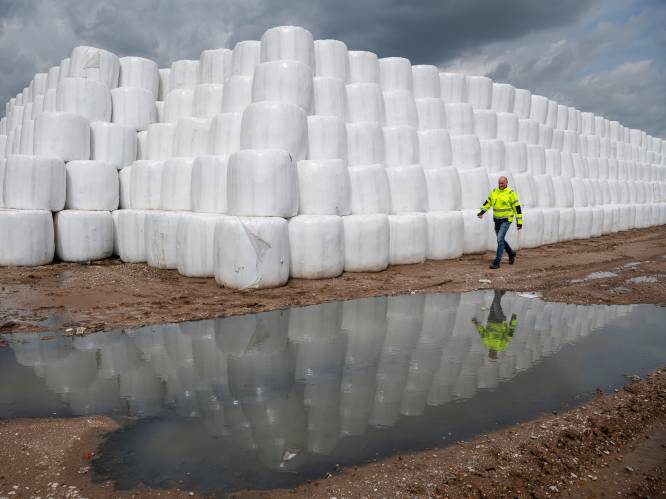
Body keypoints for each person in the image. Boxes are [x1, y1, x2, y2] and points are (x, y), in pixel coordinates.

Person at [477, 176, 522, 269]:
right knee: (500, 239)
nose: (500, 185)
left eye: (502, 183)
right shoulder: (494, 191)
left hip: (506, 219)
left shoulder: (511, 193)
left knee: (499, 239)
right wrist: (482, 211)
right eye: (499, 183)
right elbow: (488, 202)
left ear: (506, 183)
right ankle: (511, 253)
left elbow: (517, 208)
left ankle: (497, 262)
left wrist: (519, 222)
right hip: (497, 219)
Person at [471, 290, 517, 359]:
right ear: (496, 354)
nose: (492, 353)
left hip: (490, 320)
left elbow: (482, 332)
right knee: (496, 304)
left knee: (494, 303)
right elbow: (510, 333)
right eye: (494, 355)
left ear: (489, 353)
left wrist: (476, 323)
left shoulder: (487, 343)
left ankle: (500, 293)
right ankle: (498, 290)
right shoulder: (502, 345)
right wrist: (513, 321)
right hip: (500, 321)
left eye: (491, 354)